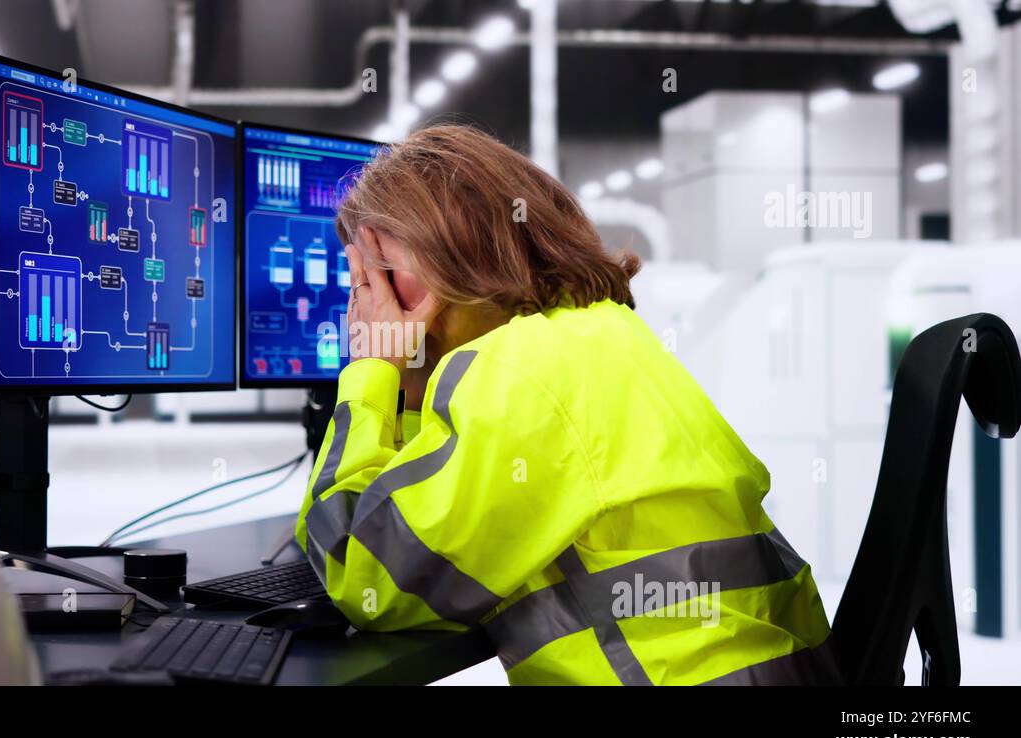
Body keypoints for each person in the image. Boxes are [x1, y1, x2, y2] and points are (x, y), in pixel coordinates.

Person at [296, 124, 836, 686]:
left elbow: (369, 580)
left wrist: (370, 374)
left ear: (446, 248)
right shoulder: (602, 333)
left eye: (371, 275)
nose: (364, 301)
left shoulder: (512, 369)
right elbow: (424, 516)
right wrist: (409, 386)